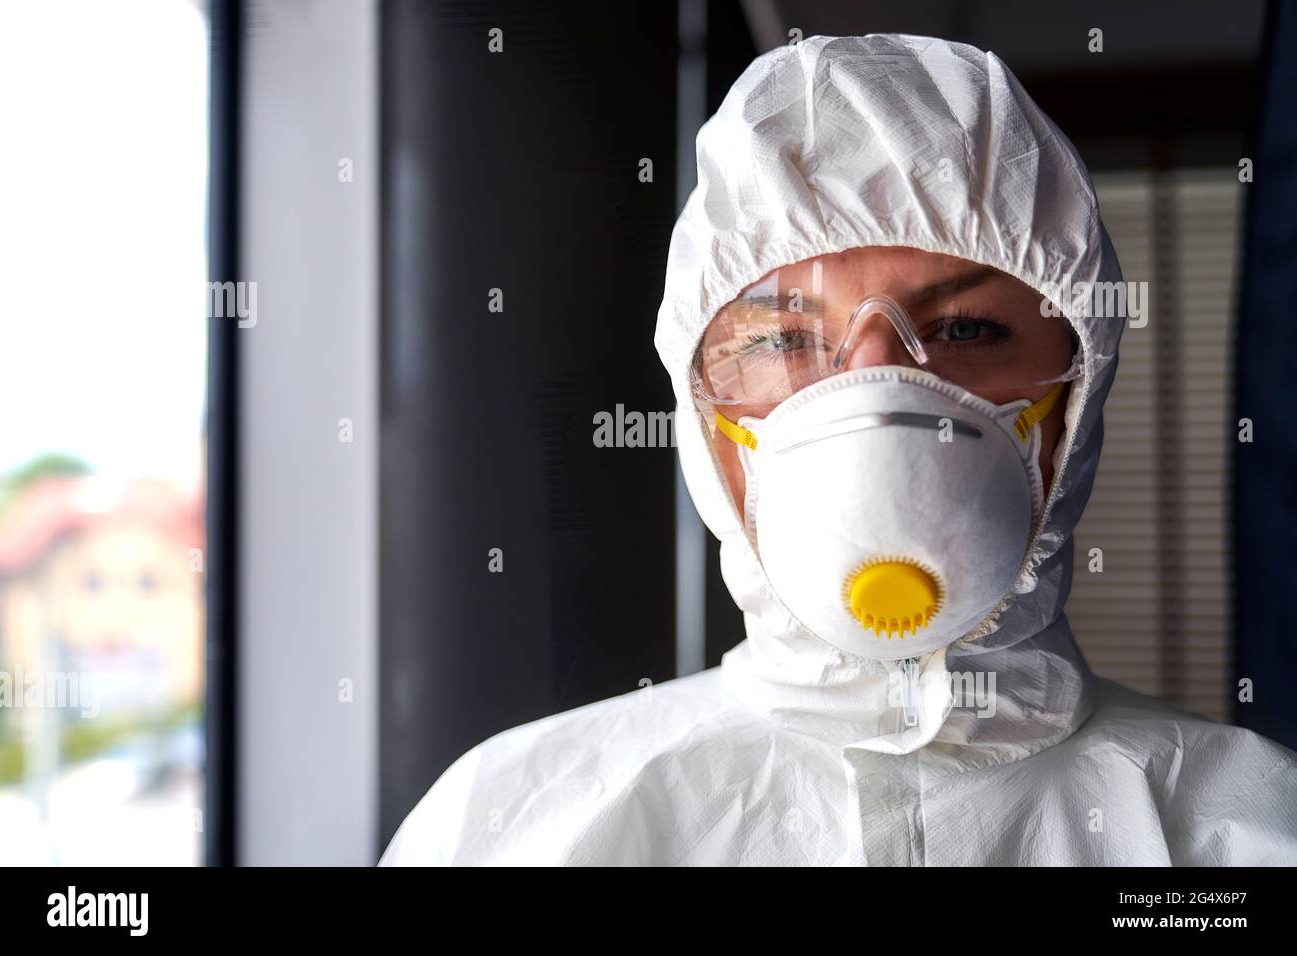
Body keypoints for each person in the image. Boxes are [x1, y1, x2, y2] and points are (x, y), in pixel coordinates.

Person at [381, 34, 1297, 865]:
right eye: (783, 341)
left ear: (1079, 394)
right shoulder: (512, 825)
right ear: (702, 412)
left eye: (970, 330)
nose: (874, 390)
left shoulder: (1244, 833)